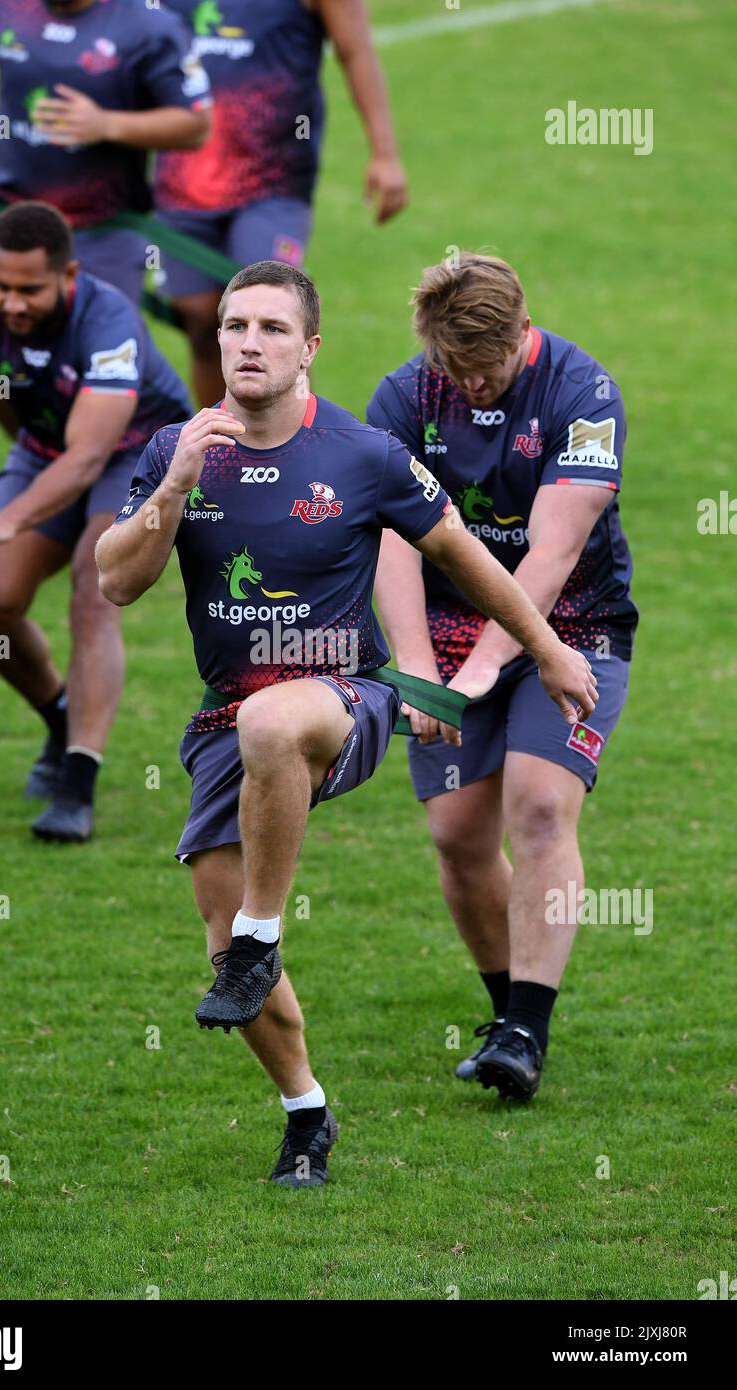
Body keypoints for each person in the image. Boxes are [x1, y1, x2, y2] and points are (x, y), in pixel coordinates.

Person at [95, 260, 597, 1186]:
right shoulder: (179, 446)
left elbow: (467, 556)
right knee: (223, 942)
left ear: (309, 349)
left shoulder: (362, 454)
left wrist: (550, 650)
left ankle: (260, 934)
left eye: (273, 330)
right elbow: (116, 580)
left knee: (278, 724)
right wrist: (172, 489)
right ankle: (305, 1112)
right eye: (236, 327)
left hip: (344, 697)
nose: (250, 343)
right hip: (223, 717)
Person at [367, 252, 638, 1101]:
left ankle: (527, 1027)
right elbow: (390, 542)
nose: (474, 386)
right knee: (457, 834)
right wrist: (416, 667)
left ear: (525, 329)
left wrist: (488, 665)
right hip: (445, 628)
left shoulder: (582, 395)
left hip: (576, 625)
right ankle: (504, 1013)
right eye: (457, 369)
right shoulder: (404, 399)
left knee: (542, 805)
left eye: (488, 369)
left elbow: (555, 550)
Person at [0, 202, 192, 842]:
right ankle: (59, 716)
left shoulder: (108, 321)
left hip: (138, 451)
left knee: (94, 586)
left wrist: (4, 520)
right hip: (44, 453)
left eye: (30, 289)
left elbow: (89, 457)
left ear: (68, 274)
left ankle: (78, 780)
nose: (12, 303)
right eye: (3, 286)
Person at [151, 0, 409, 405]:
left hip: (273, 180)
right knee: (202, 322)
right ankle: (221, 455)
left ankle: (302, 453)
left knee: (272, 305)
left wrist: (385, 154)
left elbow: (355, 49)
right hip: (181, 181)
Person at [0, 0, 212, 304]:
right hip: (12, 218)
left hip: (106, 230)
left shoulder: (149, 27)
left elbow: (196, 125)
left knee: (95, 347)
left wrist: (107, 124)